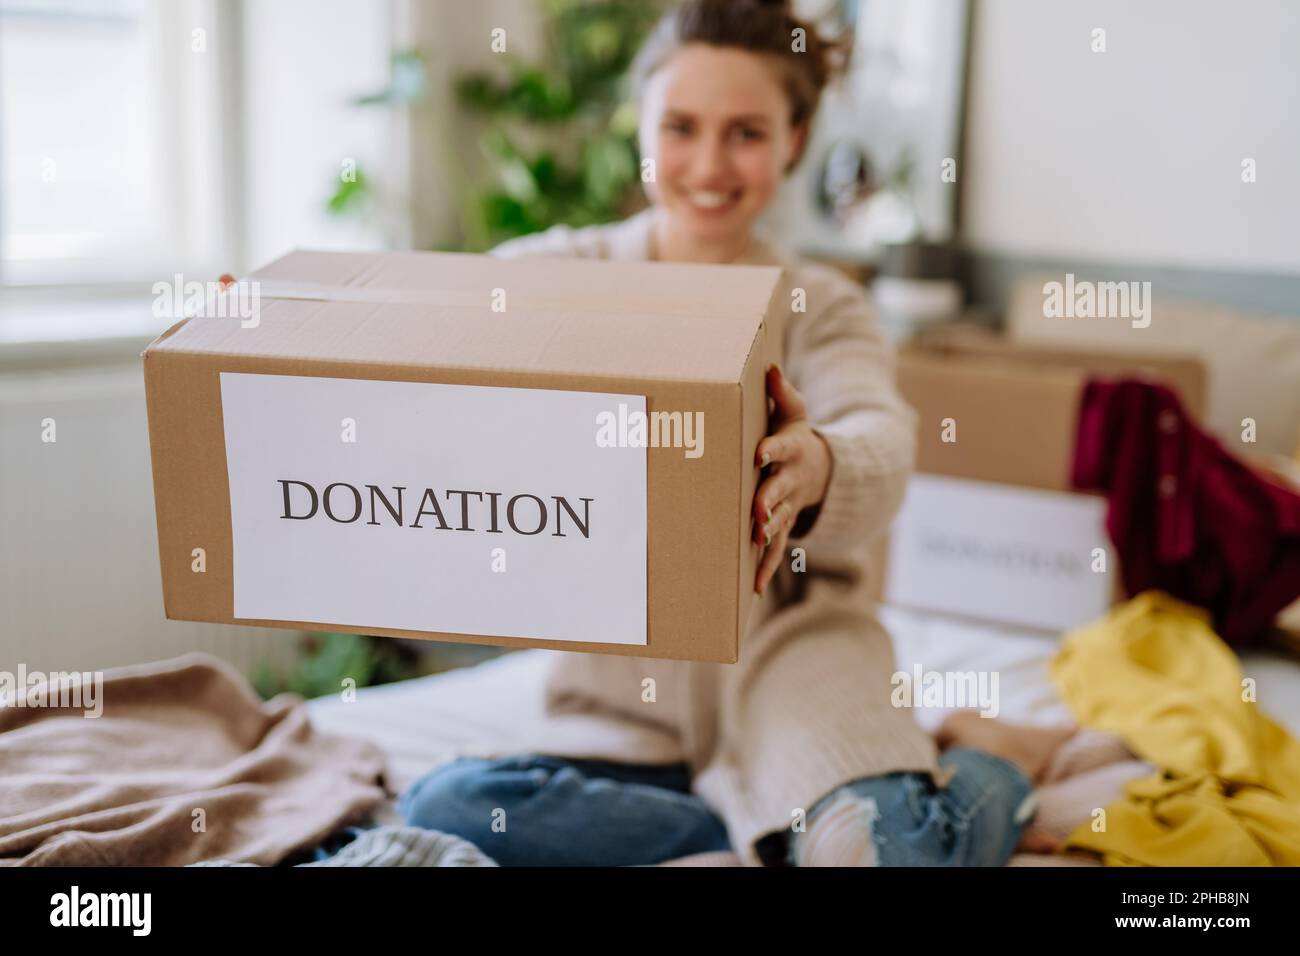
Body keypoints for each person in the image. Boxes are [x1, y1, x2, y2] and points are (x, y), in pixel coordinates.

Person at [400, 0, 1071, 867]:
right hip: (618, 704)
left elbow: (882, 430)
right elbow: (420, 326)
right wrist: (295, 327)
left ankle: (994, 761)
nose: (709, 164)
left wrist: (823, 460)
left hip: (794, 672)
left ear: (794, 141)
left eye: (746, 133)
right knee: (446, 805)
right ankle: (764, 827)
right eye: (680, 127)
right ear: (638, 127)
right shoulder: (560, 272)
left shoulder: (822, 303)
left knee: (884, 856)